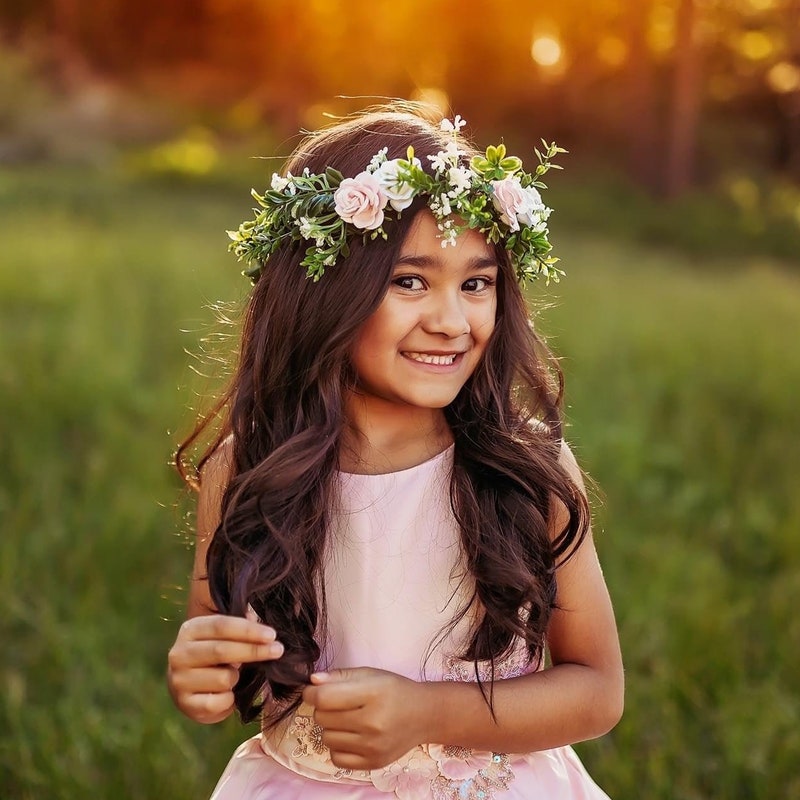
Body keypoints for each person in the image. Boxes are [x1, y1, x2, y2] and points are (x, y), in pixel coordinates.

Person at [167, 104, 624, 800]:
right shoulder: (247, 467)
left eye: (476, 284)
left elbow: (597, 690)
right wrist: (203, 670)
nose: (449, 321)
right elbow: (216, 628)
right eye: (410, 281)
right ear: (322, 291)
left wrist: (425, 714)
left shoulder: (524, 474)